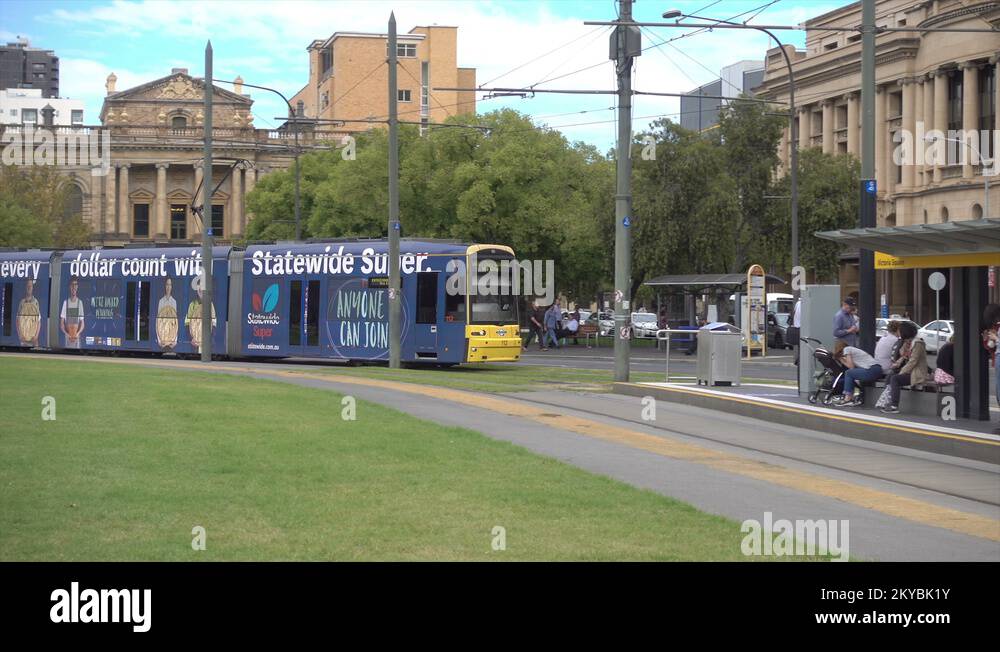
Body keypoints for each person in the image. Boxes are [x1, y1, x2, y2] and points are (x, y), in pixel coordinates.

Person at [880, 321, 929, 414]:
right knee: (890, 376)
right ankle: (885, 401)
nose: (898, 333)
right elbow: (903, 355)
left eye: (899, 331)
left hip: (917, 373)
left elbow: (913, 361)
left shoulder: (918, 343)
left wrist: (902, 371)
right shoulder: (908, 342)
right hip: (910, 371)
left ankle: (894, 406)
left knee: (895, 379)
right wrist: (904, 345)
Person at [185, 274, 217, 354]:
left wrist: (209, 339)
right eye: (199, 287)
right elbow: (187, 323)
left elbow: (214, 324)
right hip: (194, 342)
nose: (201, 289)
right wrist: (191, 339)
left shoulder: (210, 304)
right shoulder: (192, 304)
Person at [60, 276, 85, 349]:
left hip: (77, 338)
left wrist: (78, 333)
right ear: (70, 287)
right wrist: (66, 334)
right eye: (72, 285)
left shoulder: (80, 303)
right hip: (67, 338)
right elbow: (62, 323)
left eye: (75, 284)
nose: (74, 287)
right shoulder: (65, 303)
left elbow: (82, 323)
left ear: (77, 287)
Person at [16, 276, 41, 347]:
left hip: (33, 340)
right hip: (23, 339)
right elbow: (17, 321)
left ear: (33, 287)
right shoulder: (21, 302)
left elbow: (39, 321)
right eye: (28, 286)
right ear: (25, 287)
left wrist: (36, 337)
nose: (29, 287)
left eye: (31, 286)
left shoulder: (36, 302)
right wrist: (20, 336)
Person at [789, 298, 801, 366]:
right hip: (801, 328)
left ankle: (798, 360)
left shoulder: (797, 303)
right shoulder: (802, 304)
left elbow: (794, 315)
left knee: (800, 347)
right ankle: (799, 361)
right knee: (802, 347)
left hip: (797, 328)